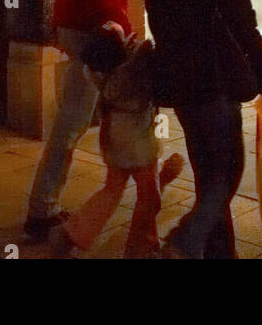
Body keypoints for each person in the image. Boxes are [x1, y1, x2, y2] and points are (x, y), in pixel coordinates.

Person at [145, 0, 262, 259]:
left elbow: (159, 27)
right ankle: (187, 240)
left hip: (180, 86)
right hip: (213, 80)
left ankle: (220, 252)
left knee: (208, 171)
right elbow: (242, 20)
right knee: (229, 170)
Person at [23, 0, 132, 242]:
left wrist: (58, 25)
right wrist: (117, 25)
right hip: (94, 38)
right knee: (71, 123)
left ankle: (120, 186)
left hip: (75, 32)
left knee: (83, 118)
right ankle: (42, 207)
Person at [48, 25, 184, 259]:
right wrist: (144, 50)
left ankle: (70, 234)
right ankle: (139, 248)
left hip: (113, 138)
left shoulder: (104, 75)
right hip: (138, 143)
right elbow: (142, 64)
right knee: (149, 197)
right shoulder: (131, 71)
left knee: (112, 191)